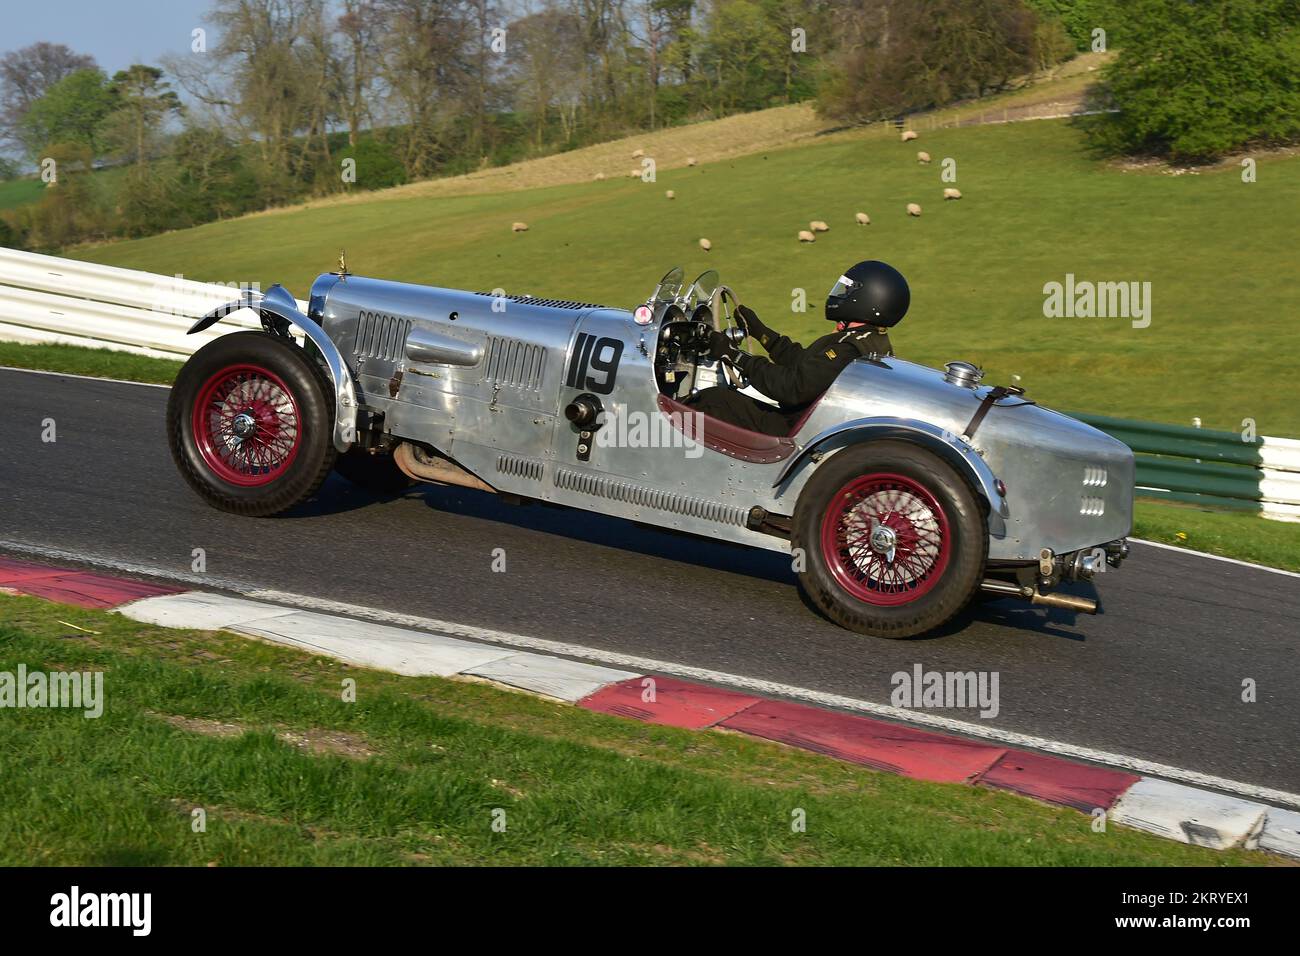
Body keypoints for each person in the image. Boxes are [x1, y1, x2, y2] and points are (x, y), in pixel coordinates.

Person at [686, 260, 910, 436]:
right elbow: (805, 364)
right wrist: (760, 331)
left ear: (868, 299)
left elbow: (791, 387)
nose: (839, 294)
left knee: (712, 400)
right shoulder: (869, 340)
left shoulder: (849, 349)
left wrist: (734, 354)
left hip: (790, 429)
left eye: (847, 291)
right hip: (804, 422)